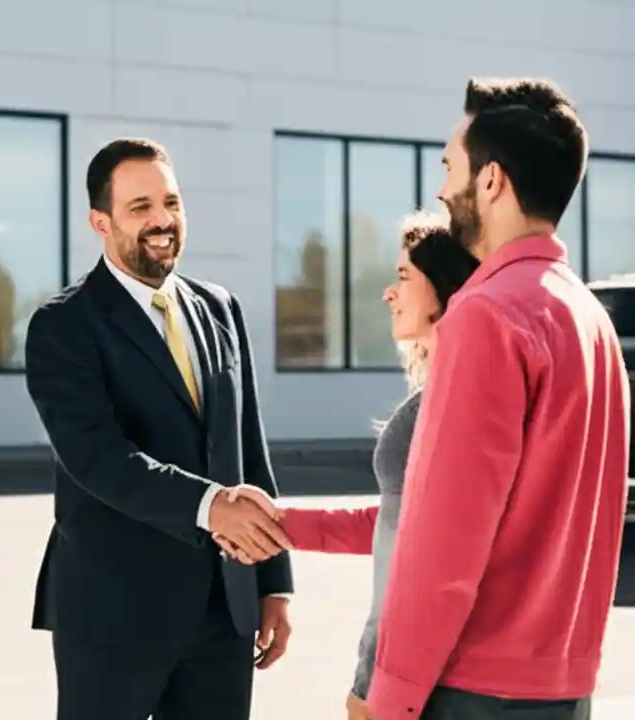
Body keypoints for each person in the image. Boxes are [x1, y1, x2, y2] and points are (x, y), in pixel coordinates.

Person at [365, 77, 628, 719]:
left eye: (451, 167)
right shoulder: (591, 320)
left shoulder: (486, 315)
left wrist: (392, 697)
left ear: (492, 182)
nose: (441, 188)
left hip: (472, 690)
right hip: (565, 687)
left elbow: (445, 540)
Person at [23, 137, 295, 720]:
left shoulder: (221, 308)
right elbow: (97, 457)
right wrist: (210, 505)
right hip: (112, 612)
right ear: (101, 222)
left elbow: (248, 448)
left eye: (171, 202)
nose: (163, 220)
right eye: (140, 207)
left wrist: (274, 581)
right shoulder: (63, 326)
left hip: (225, 608)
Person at [216, 214, 480, 720]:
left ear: (444, 288)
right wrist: (281, 524)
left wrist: (395, 690)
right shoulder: (440, 391)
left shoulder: (455, 399)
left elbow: (445, 554)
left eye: (404, 277)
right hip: (391, 669)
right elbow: (395, 524)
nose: (388, 293)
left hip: (413, 679)